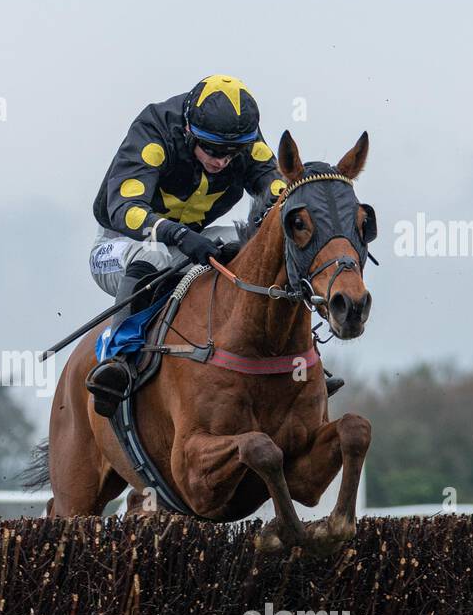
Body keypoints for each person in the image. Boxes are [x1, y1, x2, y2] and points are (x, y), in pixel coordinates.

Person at [85, 73, 343, 416]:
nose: (221, 160)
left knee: (259, 249)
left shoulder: (244, 138)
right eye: (212, 150)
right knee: (154, 254)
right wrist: (177, 234)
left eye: (231, 153)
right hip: (123, 244)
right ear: (189, 130)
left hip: (189, 240)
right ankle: (117, 359)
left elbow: (274, 184)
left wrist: (291, 202)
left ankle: (298, 361)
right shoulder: (154, 130)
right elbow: (125, 210)